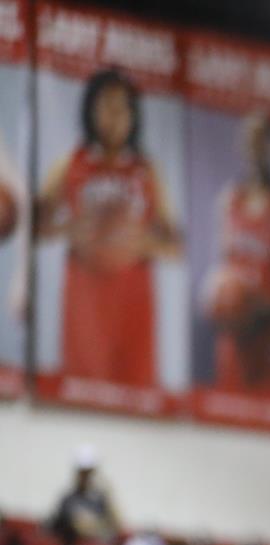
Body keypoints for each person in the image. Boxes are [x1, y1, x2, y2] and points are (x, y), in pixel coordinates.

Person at [33, 69, 182, 390]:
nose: (114, 116)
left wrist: (137, 241)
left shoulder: (147, 170)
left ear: (134, 115)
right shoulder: (70, 163)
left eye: (122, 108)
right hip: (85, 308)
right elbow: (33, 226)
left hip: (133, 309)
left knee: (136, 401)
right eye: (106, 106)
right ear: (90, 110)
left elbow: (177, 246)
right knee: (82, 399)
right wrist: (69, 229)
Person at [203, 110, 270, 396]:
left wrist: (265, 308)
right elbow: (221, 273)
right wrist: (218, 301)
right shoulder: (228, 201)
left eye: (262, 139)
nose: (255, 147)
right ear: (241, 146)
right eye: (249, 140)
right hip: (233, 343)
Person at [45, 449, 124, 544]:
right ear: (78, 473)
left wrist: (108, 495)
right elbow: (85, 530)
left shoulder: (99, 498)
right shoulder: (69, 499)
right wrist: (106, 527)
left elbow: (119, 526)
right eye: (84, 472)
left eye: (90, 472)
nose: (88, 477)